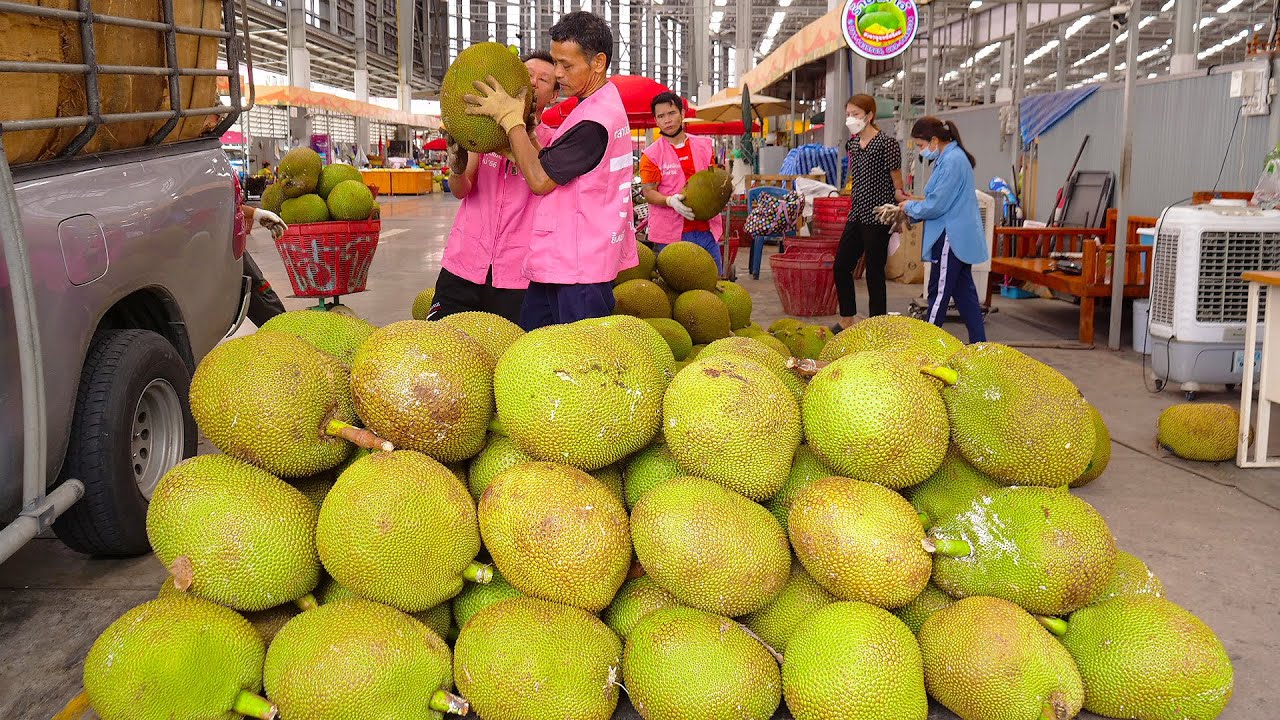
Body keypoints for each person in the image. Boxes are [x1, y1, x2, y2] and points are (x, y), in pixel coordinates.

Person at [463, 11, 637, 330]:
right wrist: (524, 132)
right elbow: (550, 161)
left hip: (580, 271)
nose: (558, 73)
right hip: (560, 262)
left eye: (566, 65)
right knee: (533, 351)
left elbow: (541, 180)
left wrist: (510, 118)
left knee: (579, 368)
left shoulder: (595, 121)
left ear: (598, 62)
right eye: (555, 62)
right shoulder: (589, 108)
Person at [428, 51, 561, 323]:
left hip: (519, 275)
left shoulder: (554, 143)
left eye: (544, 79)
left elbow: (546, 183)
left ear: (554, 95)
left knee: (509, 357)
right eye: (527, 75)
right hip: (465, 262)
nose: (534, 82)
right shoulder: (481, 132)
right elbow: (462, 189)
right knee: (442, 345)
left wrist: (524, 134)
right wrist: (456, 167)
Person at [901, 116, 988, 343]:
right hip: (955, 233)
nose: (921, 152)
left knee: (938, 293)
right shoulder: (949, 158)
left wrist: (910, 207)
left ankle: (925, 345)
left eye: (920, 146)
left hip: (951, 236)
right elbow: (939, 198)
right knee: (964, 294)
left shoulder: (952, 161)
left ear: (934, 140)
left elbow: (938, 204)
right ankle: (980, 345)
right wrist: (915, 204)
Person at [833, 94, 906, 331]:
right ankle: (847, 318)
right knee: (841, 264)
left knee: (874, 271)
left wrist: (899, 194)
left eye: (855, 114)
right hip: (857, 212)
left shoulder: (887, 143)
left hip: (878, 214)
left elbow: (896, 175)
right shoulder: (852, 144)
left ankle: (877, 325)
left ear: (869, 115)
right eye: (848, 114)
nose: (851, 119)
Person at [638, 91, 724, 274]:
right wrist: (669, 201)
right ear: (656, 120)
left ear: (683, 113)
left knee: (715, 284)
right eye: (661, 116)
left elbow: (713, 179)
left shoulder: (705, 146)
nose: (667, 120)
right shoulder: (651, 155)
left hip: (706, 231)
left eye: (672, 113)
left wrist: (721, 190)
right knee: (678, 291)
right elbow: (648, 192)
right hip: (671, 236)